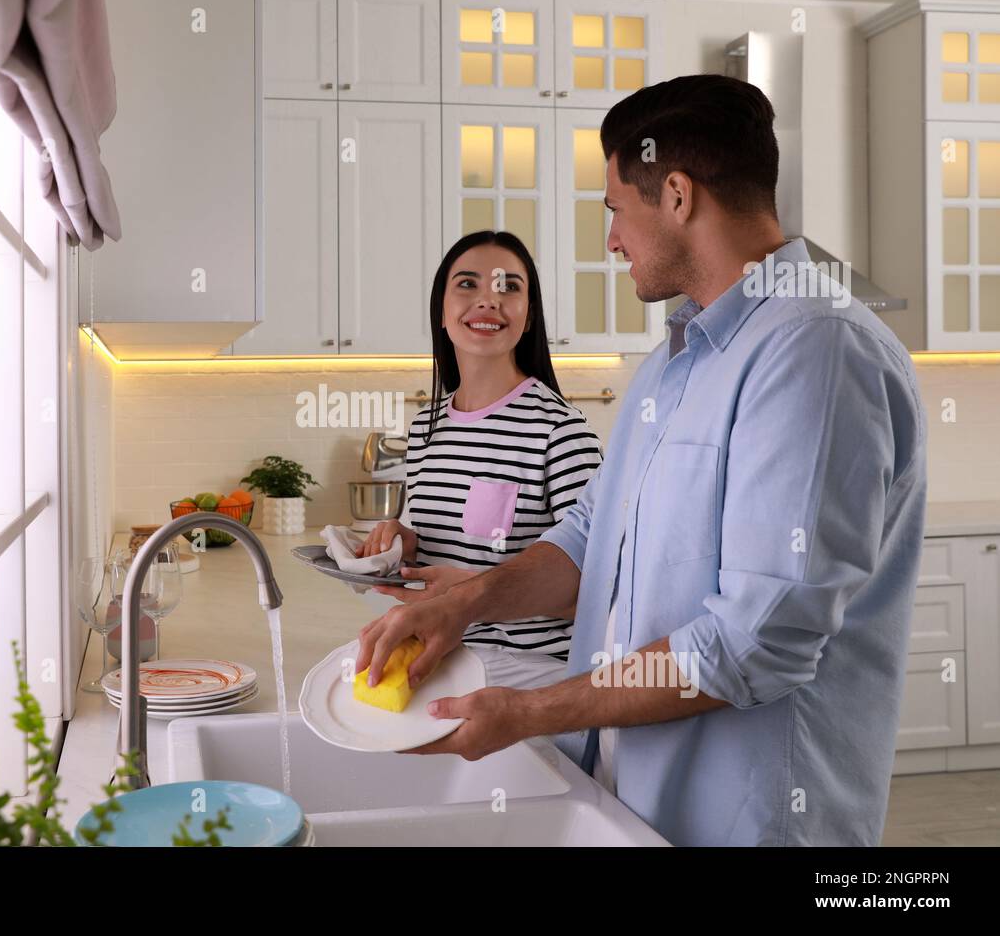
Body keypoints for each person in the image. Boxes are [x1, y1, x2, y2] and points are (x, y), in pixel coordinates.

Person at [354, 74, 928, 846]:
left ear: (679, 196)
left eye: (617, 210)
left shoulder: (817, 351)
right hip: (629, 799)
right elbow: (591, 540)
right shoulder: (675, 360)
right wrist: (465, 603)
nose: (613, 239)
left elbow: (754, 641)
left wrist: (530, 712)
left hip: (749, 823)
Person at [357, 230, 602, 689]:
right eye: (468, 284)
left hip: (531, 681)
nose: (489, 300)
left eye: (509, 286)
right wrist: (403, 541)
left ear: (528, 317)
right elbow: (448, 546)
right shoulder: (426, 427)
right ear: (442, 312)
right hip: (443, 657)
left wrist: (472, 594)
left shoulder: (561, 433)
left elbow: (602, 589)